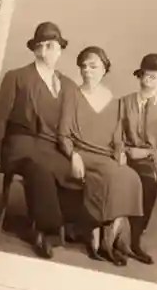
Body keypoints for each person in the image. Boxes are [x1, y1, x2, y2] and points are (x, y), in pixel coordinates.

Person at [0, 21, 80, 259]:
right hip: (19, 145)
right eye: (44, 45)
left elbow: (68, 127)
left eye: (55, 46)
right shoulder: (16, 77)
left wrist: (74, 154)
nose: (50, 50)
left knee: (73, 169)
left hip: (50, 146)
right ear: (35, 49)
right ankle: (45, 232)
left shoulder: (67, 85)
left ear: (61, 50)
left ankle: (70, 224)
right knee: (40, 168)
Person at [57, 46, 145, 266]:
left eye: (93, 66)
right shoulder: (72, 95)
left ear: (104, 68)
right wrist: (73, 155)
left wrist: (120, 153)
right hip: (83, 153)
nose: (87, 70)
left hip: (105, 156)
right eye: (83, 66)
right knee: (110, 179)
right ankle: (99, 242)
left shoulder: (114, 101)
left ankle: (113, 238)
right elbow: (63, 134)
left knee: (130, 177)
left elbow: (117, 137)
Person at [119, 53, 157, 265]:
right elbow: (115, 135)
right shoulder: (124, 102)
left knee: (149, 185)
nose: (151, 81)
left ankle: (134, 240)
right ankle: (113, 237)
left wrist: (156, 157)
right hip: (124, 155)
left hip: (149, 159)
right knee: (119, 183)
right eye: (147, 76)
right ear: (140, 76)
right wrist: (125, 151)